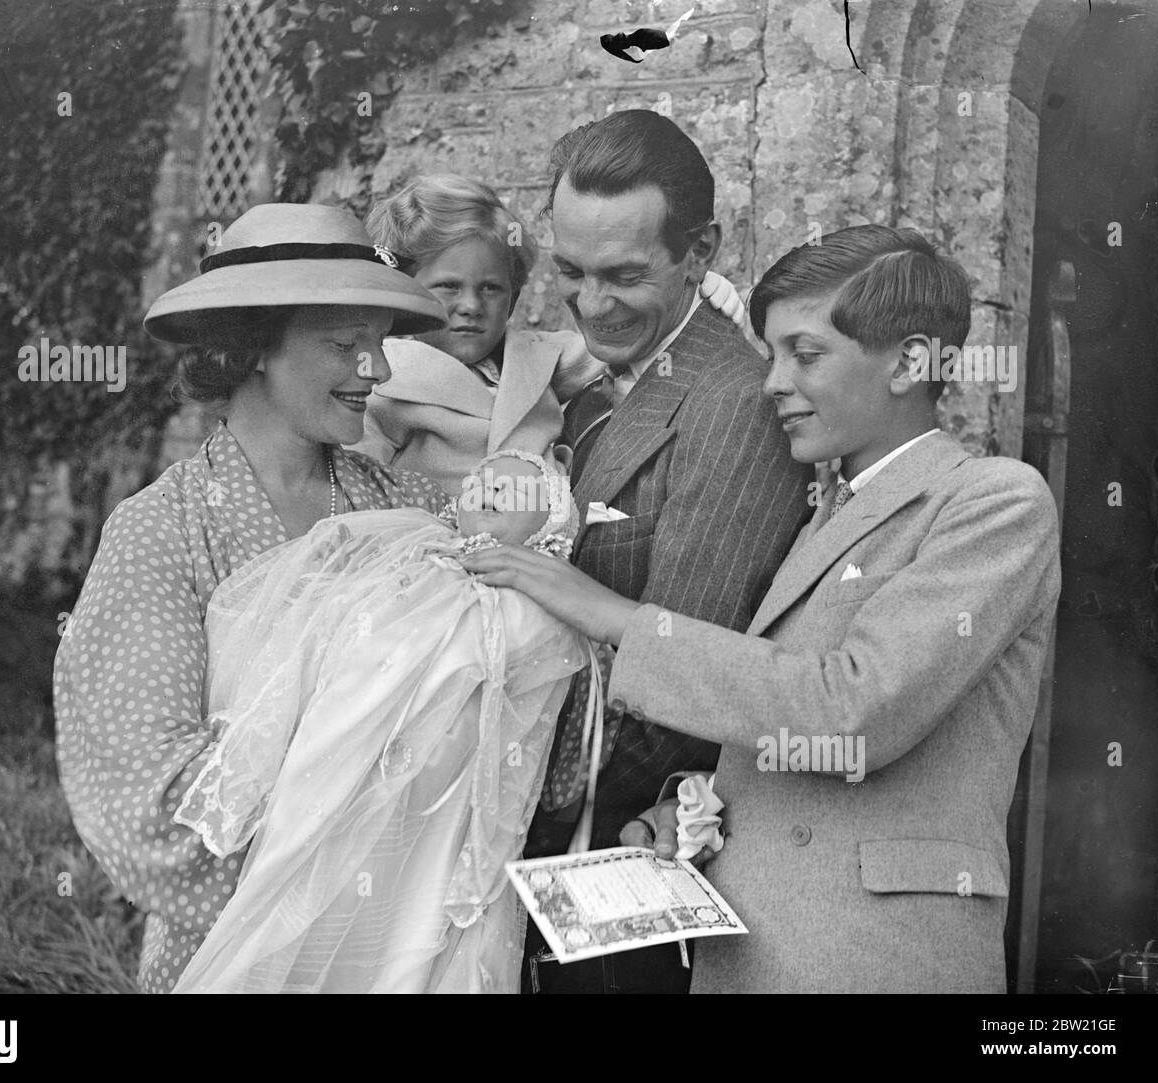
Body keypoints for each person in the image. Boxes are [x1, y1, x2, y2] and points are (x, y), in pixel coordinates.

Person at [461, 224, 1063, 994]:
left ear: (912, 362)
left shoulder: (995, 501)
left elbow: (852, 709)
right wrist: (696, 809)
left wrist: (610, 614)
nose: (773, 381)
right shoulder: (827, 509)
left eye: (805, 355)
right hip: (761, 953)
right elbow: (776, 717)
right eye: (771, 353)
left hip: (872, 959)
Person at [53, 203, 455, 993]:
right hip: (242, 950)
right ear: (253, 346)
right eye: (345, 343)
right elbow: (151, 796)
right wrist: (350, 812)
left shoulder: (410, 506)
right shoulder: (161, 532)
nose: (377, 370)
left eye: (378, 342)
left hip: (402, 942)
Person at [515, 109, 813, 994]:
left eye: (625, 276)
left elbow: (682, 684)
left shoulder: (732, 402)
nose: (593, 303)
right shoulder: (572, 386)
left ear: (701, 252)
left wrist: (519, 806)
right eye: (569, 271)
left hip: (613, 870)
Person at [170, 449, 588, 993]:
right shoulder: (416, 557)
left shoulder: (533, 609)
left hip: (443, 803)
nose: (489, 491)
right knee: (302, 900)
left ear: (548, 526)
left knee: (408, 930)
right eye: (480, 481)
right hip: (342, 764)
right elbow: (328, 636)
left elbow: (513, 697)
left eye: (514, 491)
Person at [352, 173, 747, 494]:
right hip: (442, 555)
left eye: (491, 288)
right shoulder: (382, 380)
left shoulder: (536, 356)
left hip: (551, 552)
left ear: (513, 296)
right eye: (448, 287)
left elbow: (640, 339)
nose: (471, 305)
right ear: (403, 292)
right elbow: (358, 485)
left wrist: (693, 286)